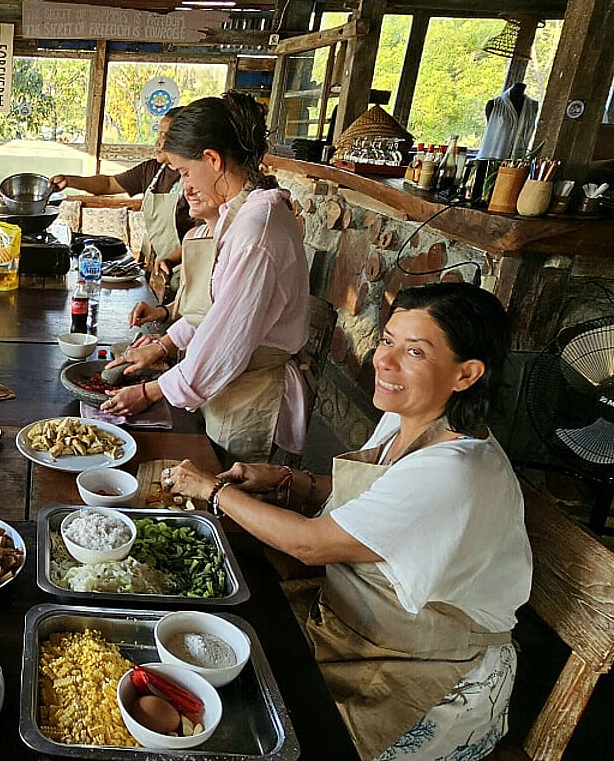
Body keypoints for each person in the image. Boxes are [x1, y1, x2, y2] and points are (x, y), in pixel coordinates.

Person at [162, 282, 532, 761]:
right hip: (357, 629)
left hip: (423, 675)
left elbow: (311, 546)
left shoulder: (456, 472)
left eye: (414, 351)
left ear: (467, 374)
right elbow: (380, 503)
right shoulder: (413, 417)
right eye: (386, 341)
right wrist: (290, 480)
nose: (385, 360)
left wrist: (212, 490)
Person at [101, 93, 309, 463]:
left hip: (250, 397)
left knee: (229, 497)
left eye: (184, 172)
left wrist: (150, 392)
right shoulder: (243, 215)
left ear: (212, 159)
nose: (185, 186)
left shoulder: (255, 233)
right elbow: (217, 312)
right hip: (228, 389)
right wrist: (164, 345)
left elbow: (225, 340)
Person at [49, 106, 195, 297]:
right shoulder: (151, 170)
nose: (158, 142)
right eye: (158, 134)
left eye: (165, 136)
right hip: (160, 274)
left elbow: (202, 235)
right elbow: (108, 184)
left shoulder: (195, 180)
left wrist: (170, 260)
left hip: (188, 273)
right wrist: (70, 180)